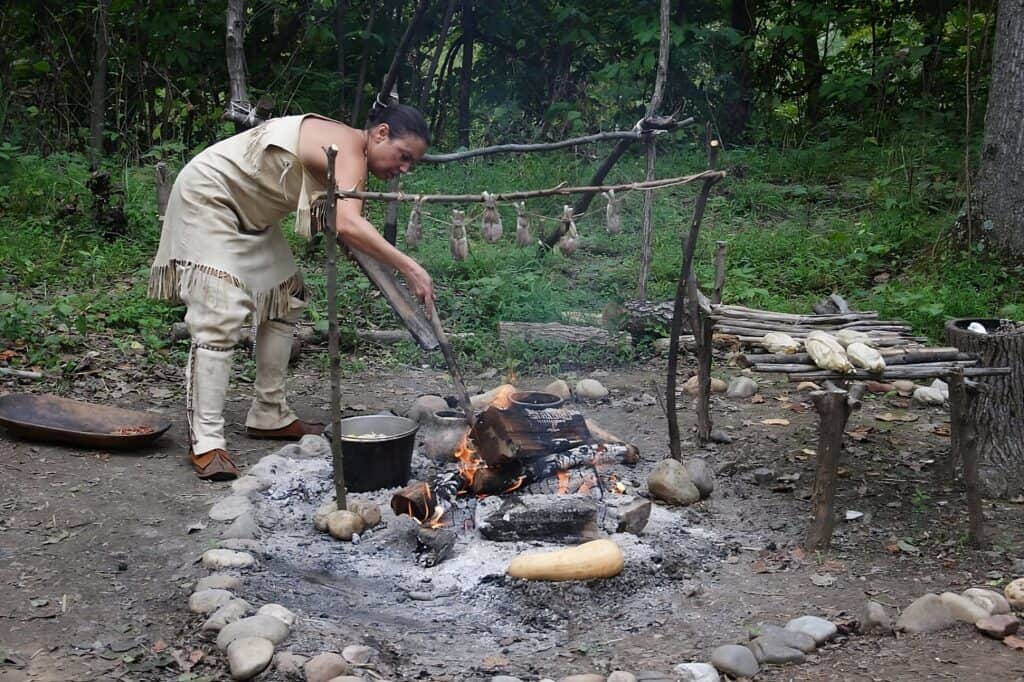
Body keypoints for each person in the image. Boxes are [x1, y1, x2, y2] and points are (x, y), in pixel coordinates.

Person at [149, 101, 434, 481]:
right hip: (210, 197)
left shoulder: (347, 152)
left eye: (411, 163)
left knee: (286, 298)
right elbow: (349, 223)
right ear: (380, 133)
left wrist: (358, 244)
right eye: (403, 157)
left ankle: (269, 414)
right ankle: (207, 442)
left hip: (252, 214)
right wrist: (411, 267)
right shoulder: (350, 149)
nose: (404, 169)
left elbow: (342, 222)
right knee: (220, 314)